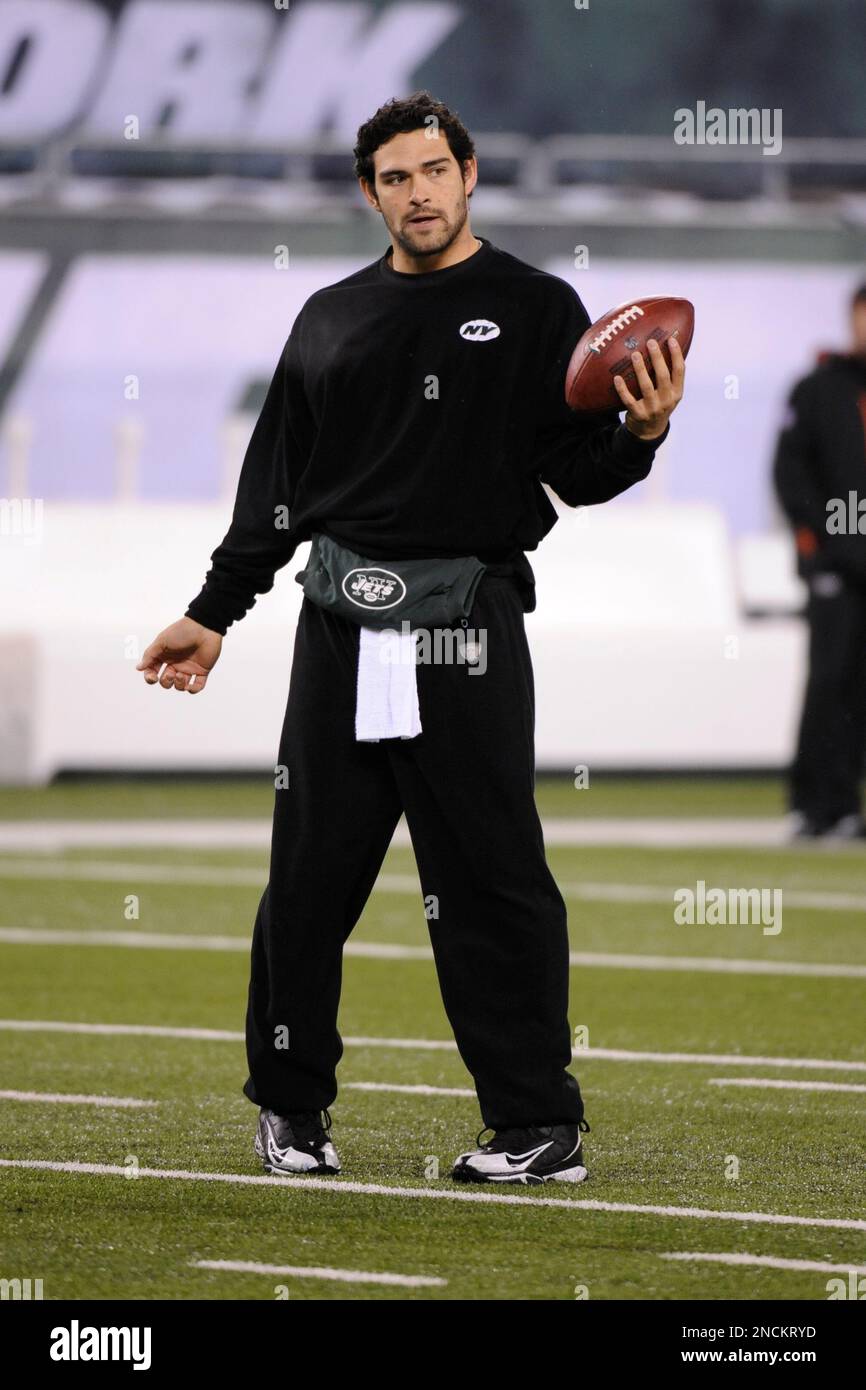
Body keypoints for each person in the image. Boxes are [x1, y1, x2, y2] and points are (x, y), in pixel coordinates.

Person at [136, 92, 684, 1186]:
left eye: (435, 171)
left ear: (468, 174)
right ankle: (290, 1108)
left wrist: (642, 432)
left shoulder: (537, 305)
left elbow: (574, 475)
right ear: (369, 191)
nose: (418, 193)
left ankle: (537, 1125)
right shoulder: (329, 316)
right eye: (396, 177)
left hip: (465, 627)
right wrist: (213, 610)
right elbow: (276, 490)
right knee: (307, 881)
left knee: (494, 881)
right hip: (339, 623)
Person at [773, 282, 866, 841]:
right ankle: (817, 805)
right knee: (831, 683)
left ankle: (848, 808)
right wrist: (824, 544)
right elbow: (791, 475)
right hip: (838, 567)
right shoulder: (818, 389)